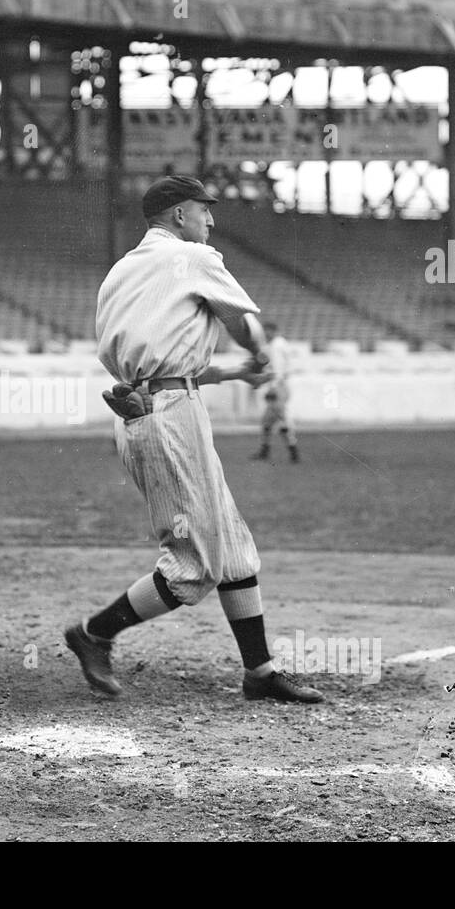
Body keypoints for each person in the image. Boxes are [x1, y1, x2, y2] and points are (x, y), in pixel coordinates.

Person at [64, 175, 323, 704]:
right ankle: (95, 633)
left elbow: (163, 364)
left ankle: (260, 671)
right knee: (194, 562)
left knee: (233, 548)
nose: (211, 220)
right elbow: (241, 323)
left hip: (148, 409)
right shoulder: (195, 258)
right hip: (169, 418)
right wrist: (258, 353)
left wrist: (232, 375)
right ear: (179, 215)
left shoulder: (121, 271)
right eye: (204, 210)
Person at [256, 320, 299, 462]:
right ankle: (266, 450)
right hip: (281, 385)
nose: (265, 334)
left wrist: (273, 387)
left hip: (278, 386)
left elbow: (278, 369)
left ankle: (293, 450)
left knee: (282, 419)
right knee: (268, 421)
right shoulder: (278, 344)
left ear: (273, 331)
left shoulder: (276, 346)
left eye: (267, 331)